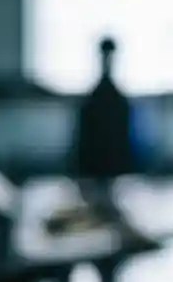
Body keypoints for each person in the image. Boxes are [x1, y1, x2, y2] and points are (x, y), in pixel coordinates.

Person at [57, 37, 141, 232]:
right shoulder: (99, 100)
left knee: (103, 202)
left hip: (106, 162)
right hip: (97, 162)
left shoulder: (113, 100)